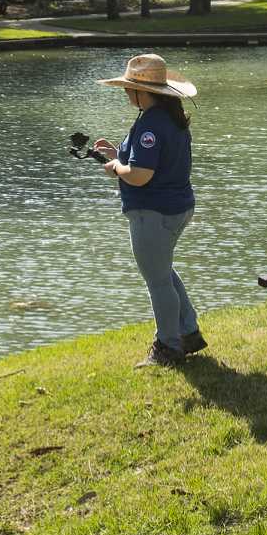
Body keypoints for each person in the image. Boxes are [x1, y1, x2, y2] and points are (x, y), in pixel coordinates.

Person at [91, 53, 203, 367]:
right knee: (162, 271)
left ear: (145, 92)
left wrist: (115, 168)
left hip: (154, 212)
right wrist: (116, 154)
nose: (126, 93)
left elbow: (141, 176)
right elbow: (147, 161)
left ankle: (168, 347)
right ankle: (188, 331)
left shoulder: (152, 123)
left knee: (157, 280)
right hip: (176, 207)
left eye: (129, 88)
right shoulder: (169, 117)